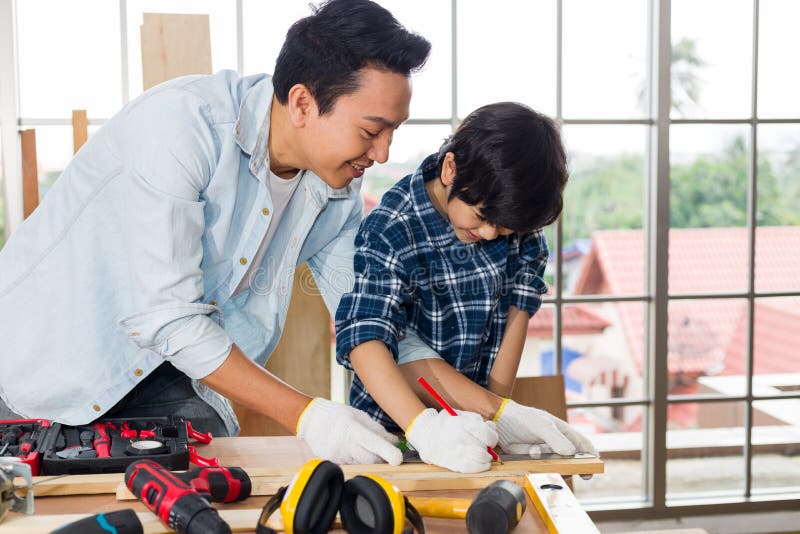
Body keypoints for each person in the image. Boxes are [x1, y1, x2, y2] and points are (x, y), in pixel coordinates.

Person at [0, 0, 430, 466]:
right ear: (304, 103)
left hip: (167, 371)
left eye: (394, 132)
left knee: (214, 486)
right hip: (46, 363)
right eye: (372, 131)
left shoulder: (336, 187)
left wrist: (448, 421)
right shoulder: (182, 128)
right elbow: (167, 316)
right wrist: (311, 416)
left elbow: (365, 313)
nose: (384, 153)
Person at [335, 102, 597, 473]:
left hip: (477, 424)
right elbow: (367, 338)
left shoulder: (513, 217)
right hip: (392, 430)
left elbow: (516, 313)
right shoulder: (392, 227)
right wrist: (426, 429)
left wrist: (497, 414)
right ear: (450, 168)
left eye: (504, 230)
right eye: (482, 217)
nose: (490, 234)